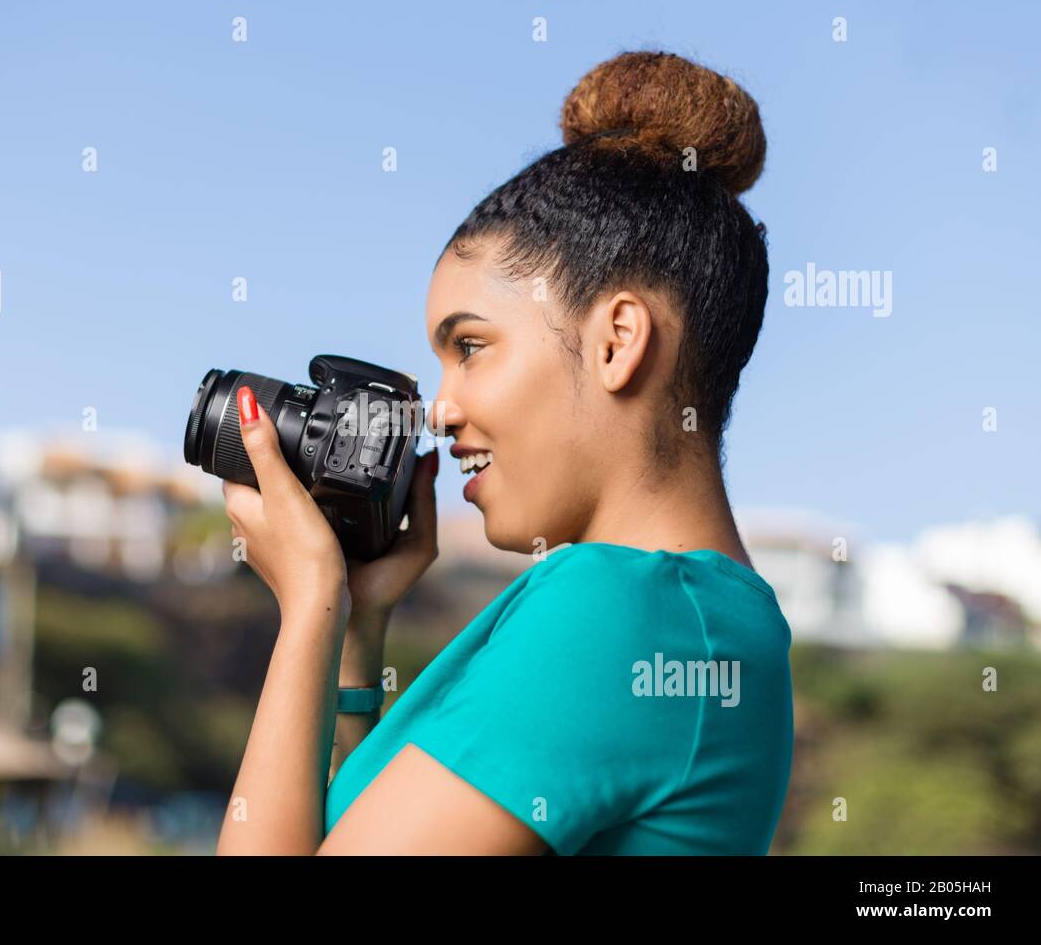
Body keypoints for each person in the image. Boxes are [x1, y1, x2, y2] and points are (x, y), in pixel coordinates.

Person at [216, 50, 794, 855]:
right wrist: (354, 625)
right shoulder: (715, 618)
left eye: (471, 347)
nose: (441, 408)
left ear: (618, 341)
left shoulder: (619, 609)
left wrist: (307, 600)